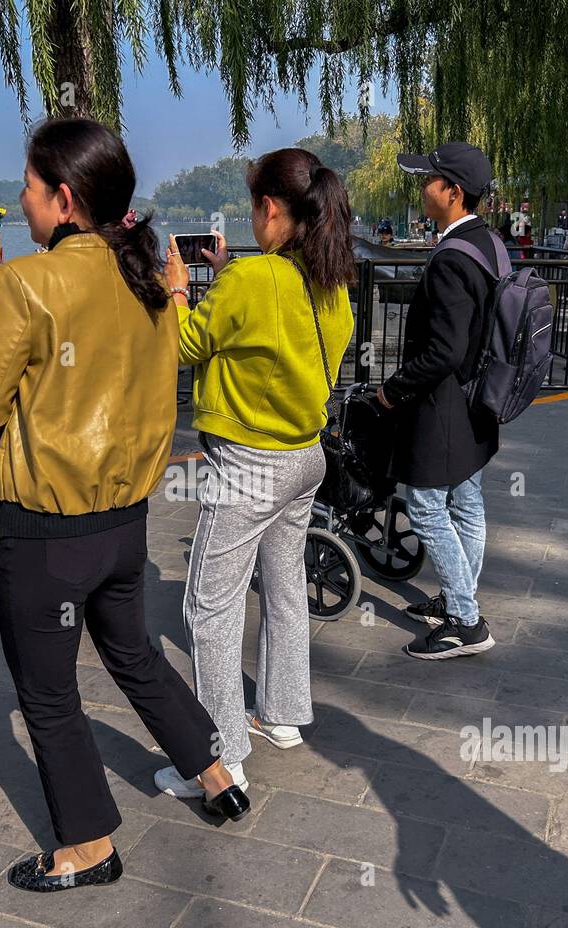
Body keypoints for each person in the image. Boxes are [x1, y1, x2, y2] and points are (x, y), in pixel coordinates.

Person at [0, 118, 247, 894]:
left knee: (49, 693)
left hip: (47, 528)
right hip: (124, 520)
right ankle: (216, 772)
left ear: (64, 198)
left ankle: (86, 845)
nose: (21, 196)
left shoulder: (28, 283)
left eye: (30, 185)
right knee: (134, 651)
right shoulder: (148, 281)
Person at [160, 148, 355, 793]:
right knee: (284, 584)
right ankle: (285, 713)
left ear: (270, 209)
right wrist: (226, 275)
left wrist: (179, 291)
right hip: (305, 456)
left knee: (209, 607)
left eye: (254, 208)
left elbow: (187, 343)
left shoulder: (253, 280)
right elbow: (280, 332)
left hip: (248, 461)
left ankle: (223, 755)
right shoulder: (331, 285)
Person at [374, 141, 500, 661]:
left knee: (428, 508)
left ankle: (466, 623)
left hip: (442, 405)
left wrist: (393, 388)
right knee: (467, 506)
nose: (421, 187)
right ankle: (457, 598)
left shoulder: (451, 258)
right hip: (476, 399)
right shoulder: (487, 243)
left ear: (452, 191)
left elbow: (443, 350)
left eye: (429, 180)